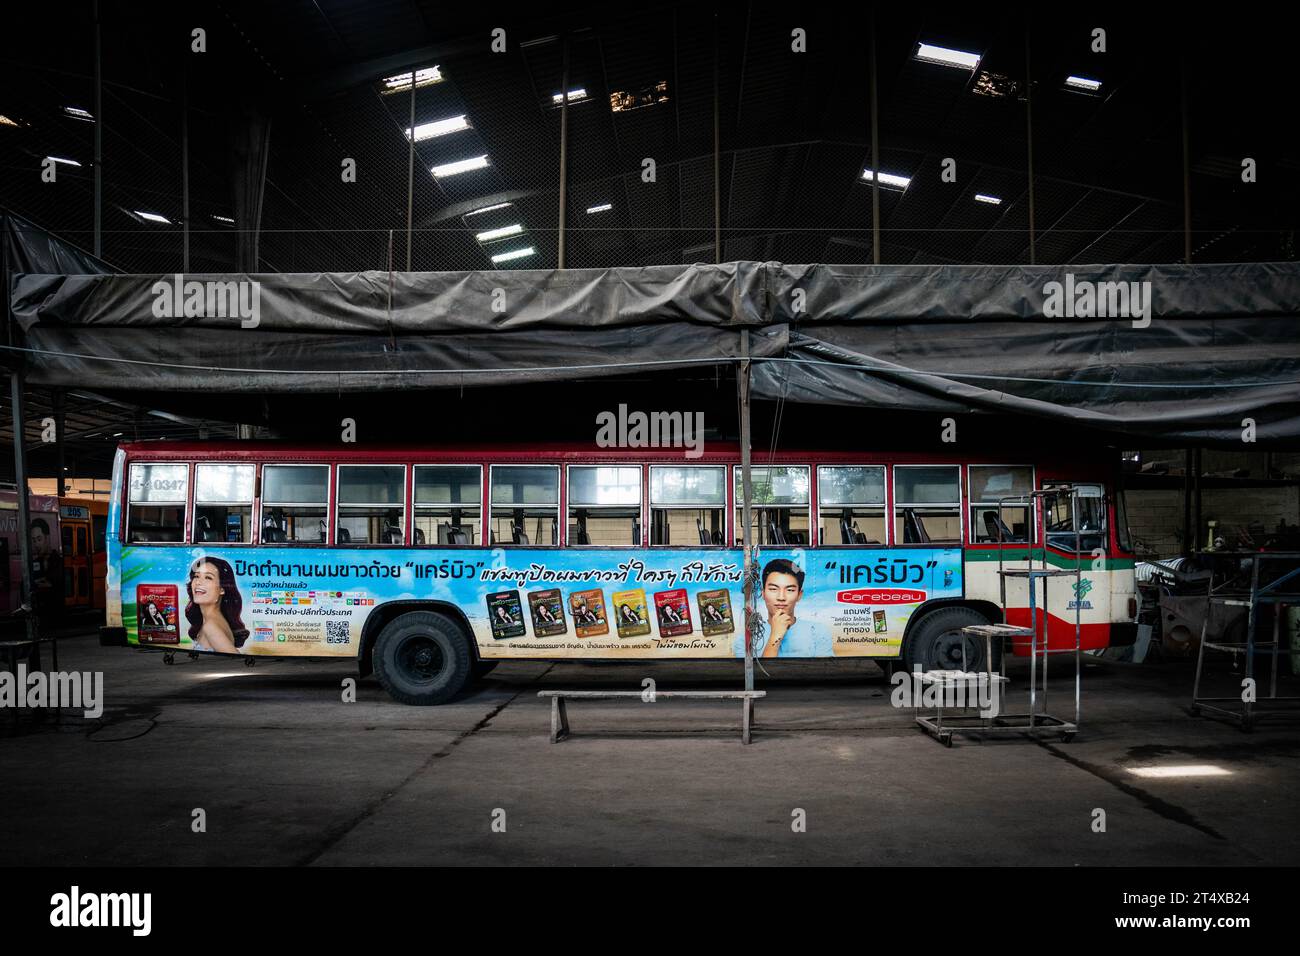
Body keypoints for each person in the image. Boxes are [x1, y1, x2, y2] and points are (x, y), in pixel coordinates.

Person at [733, 559, 832, 658]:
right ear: (763, 593)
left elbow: (824, 672)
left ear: (799, 595)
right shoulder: (746, 639)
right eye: (773, 589)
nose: (781, 597)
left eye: (790, 590)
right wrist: (775, 636)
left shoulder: (818, 632)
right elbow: (762, 673)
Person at [184, 557, 248, 653]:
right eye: (196, 576)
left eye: (208, 577)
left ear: (222, 589)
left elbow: (235, 656)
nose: (198, 582)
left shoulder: (210, 627)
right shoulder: (211, 621)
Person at [29, 517, 63, 622]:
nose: (36, 545)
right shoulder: (34, 562)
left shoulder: (58, 559)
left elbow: (58, 582)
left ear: (47, 538)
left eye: (39, 539)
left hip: (55, 609)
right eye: (33, 540)